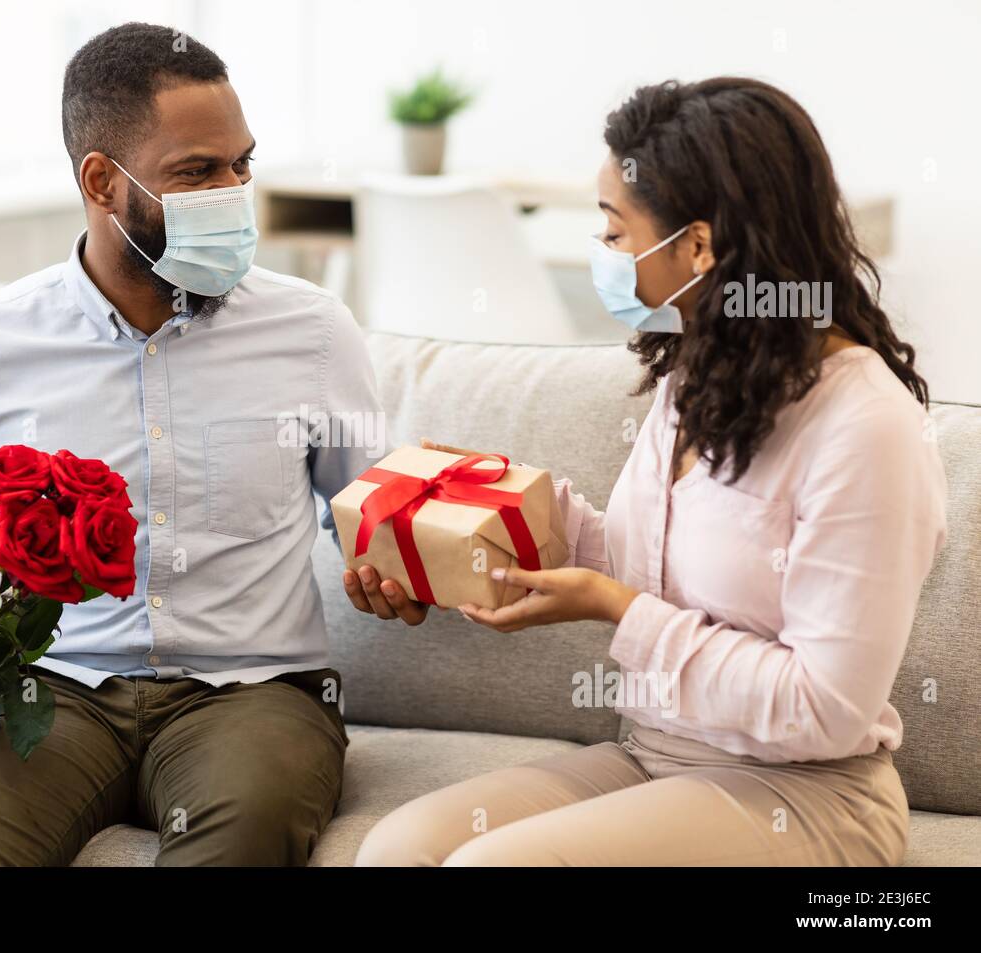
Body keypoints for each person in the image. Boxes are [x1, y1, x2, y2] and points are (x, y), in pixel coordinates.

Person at [348, 77, 947, 866]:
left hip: (809, 792)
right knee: (397, 851)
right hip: (657, 755)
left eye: (615, 232)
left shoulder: (865, 426)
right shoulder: (700, 373)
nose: (605, 257)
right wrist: (489, 516)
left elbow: (826, 709)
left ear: (698, 246)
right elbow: (652, 565)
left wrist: (619, 611)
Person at [0, 22, 383, 866]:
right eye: (198, 172)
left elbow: (370, 514)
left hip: (251, 694)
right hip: (45, 693)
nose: (234, 192)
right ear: (101, 180)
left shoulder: (312, 333)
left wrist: (410, 560)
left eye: (242, 164)